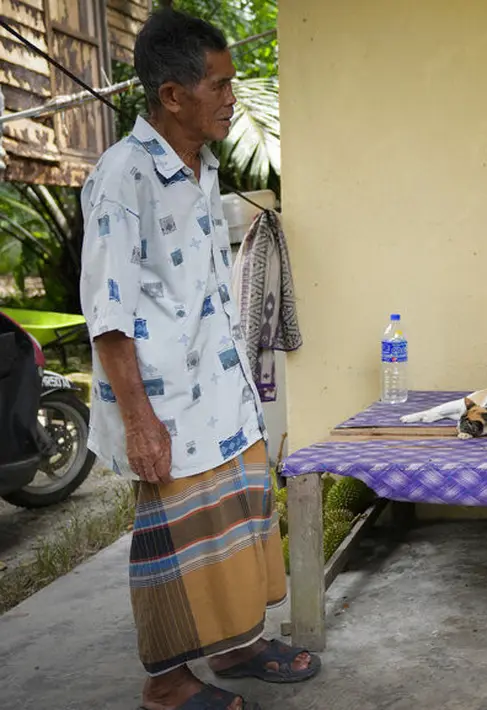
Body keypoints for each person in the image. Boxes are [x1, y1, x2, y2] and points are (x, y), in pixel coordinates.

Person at [79, 9, 321, 710]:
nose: (230, 97)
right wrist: (139, 422)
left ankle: (238, 644)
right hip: (165, 408)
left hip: (221, 392)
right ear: (172, 96)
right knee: (175, 549)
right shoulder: (124, 177)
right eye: (217, 85)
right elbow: (110, 314)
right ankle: (167, 685)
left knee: (238, 527)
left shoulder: (201, 166)